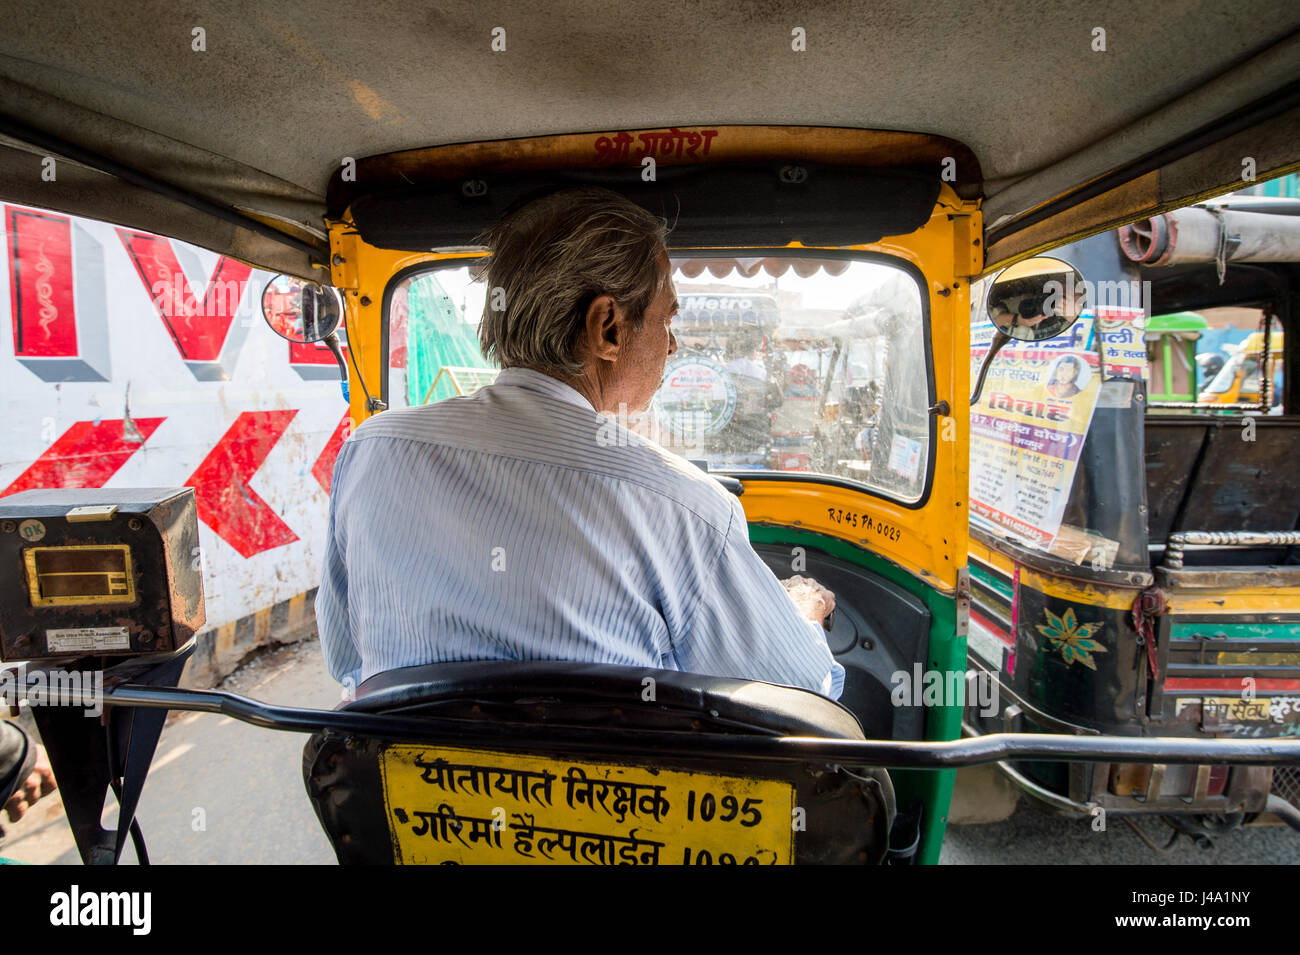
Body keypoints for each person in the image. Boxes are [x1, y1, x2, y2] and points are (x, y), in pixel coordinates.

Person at [316, 187, 844, 699]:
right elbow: (801, 697)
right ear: (608, 327)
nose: (674, 343)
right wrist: (799, 615)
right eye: (668, 318)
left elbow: (346, 660)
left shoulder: (372, 451)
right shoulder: (686, 507)